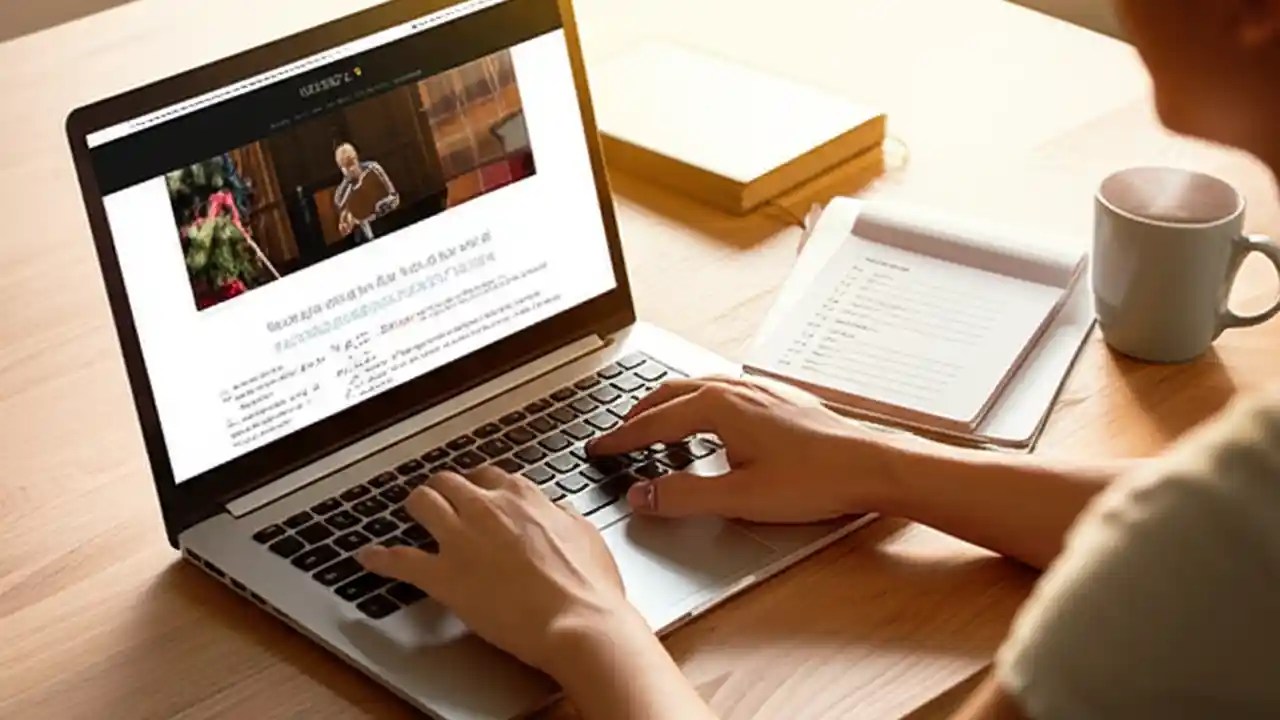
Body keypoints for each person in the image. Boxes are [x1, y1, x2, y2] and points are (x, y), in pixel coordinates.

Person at [356, 1, 1280, 717]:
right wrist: (877, 462)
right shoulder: (1229, 510)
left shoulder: (1209, 541)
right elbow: (1205, 519)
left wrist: (584, 624)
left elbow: (1206, 535)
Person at [333, 142, 400, 243]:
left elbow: (394, 198)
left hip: (389, 227)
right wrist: (348, 225)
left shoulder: (373, 168)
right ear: (341, 168)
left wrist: (378, 209)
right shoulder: (340, 196)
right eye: (345, 166)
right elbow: (345, 224)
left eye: (351, 162)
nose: (351, 168)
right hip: (366, 239)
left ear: (356, 157)